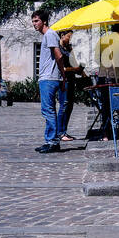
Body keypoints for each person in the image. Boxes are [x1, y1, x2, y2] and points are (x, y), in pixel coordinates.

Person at [31, 9, 68, 154]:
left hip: (49, 78)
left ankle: (52, 142)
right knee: (48, 110)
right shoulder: (48, 35)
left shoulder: (50, 34)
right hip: (48, 78)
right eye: (33, 21)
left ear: (44, 21)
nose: (34, 24)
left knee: (48, 110)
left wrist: (63, 76)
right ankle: (50, 140)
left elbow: (58, 56)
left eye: (36, 21)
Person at [57, 30, 84, 142]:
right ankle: (60, 132)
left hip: (72, 79)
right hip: (64, 79)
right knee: (64, 104)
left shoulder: (69, 48)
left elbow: (76, 62)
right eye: (69, 37)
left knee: (70, 106)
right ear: (62, 36)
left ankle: (64, 130)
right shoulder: (58, 49)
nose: (71, 39)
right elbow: (61, 67)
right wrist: (73, 69)